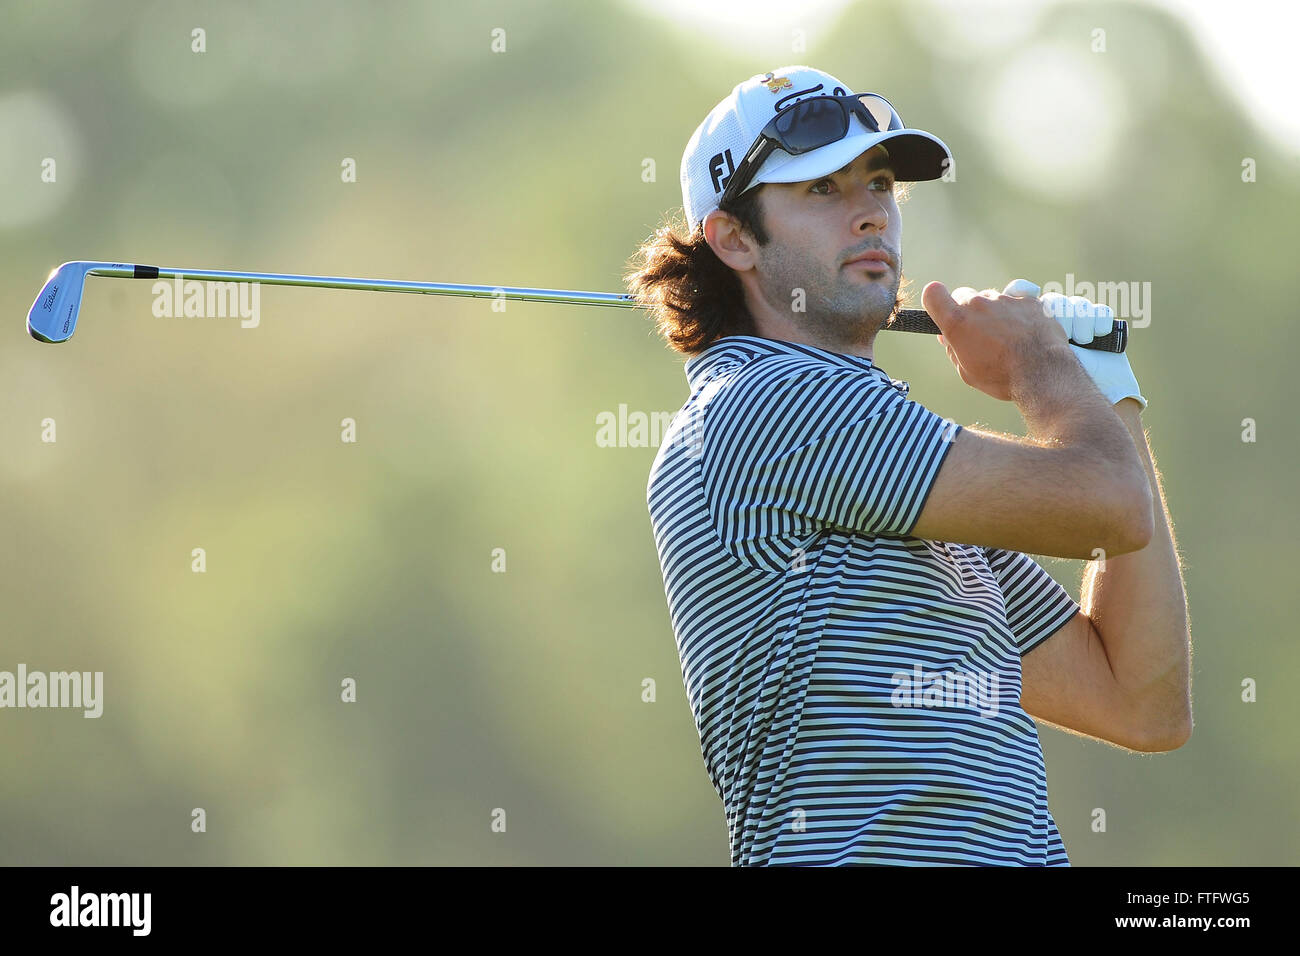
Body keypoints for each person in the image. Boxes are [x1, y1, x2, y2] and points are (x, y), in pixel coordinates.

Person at [627, 65, 1192, 866]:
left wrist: (1109, 392)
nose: (869, 216)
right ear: (734, 238)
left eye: (881, 184)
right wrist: (1041, 368)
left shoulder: (908, 470)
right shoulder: (765, 405)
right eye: (823, 190)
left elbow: (1141, 702)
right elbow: (1112, 508)